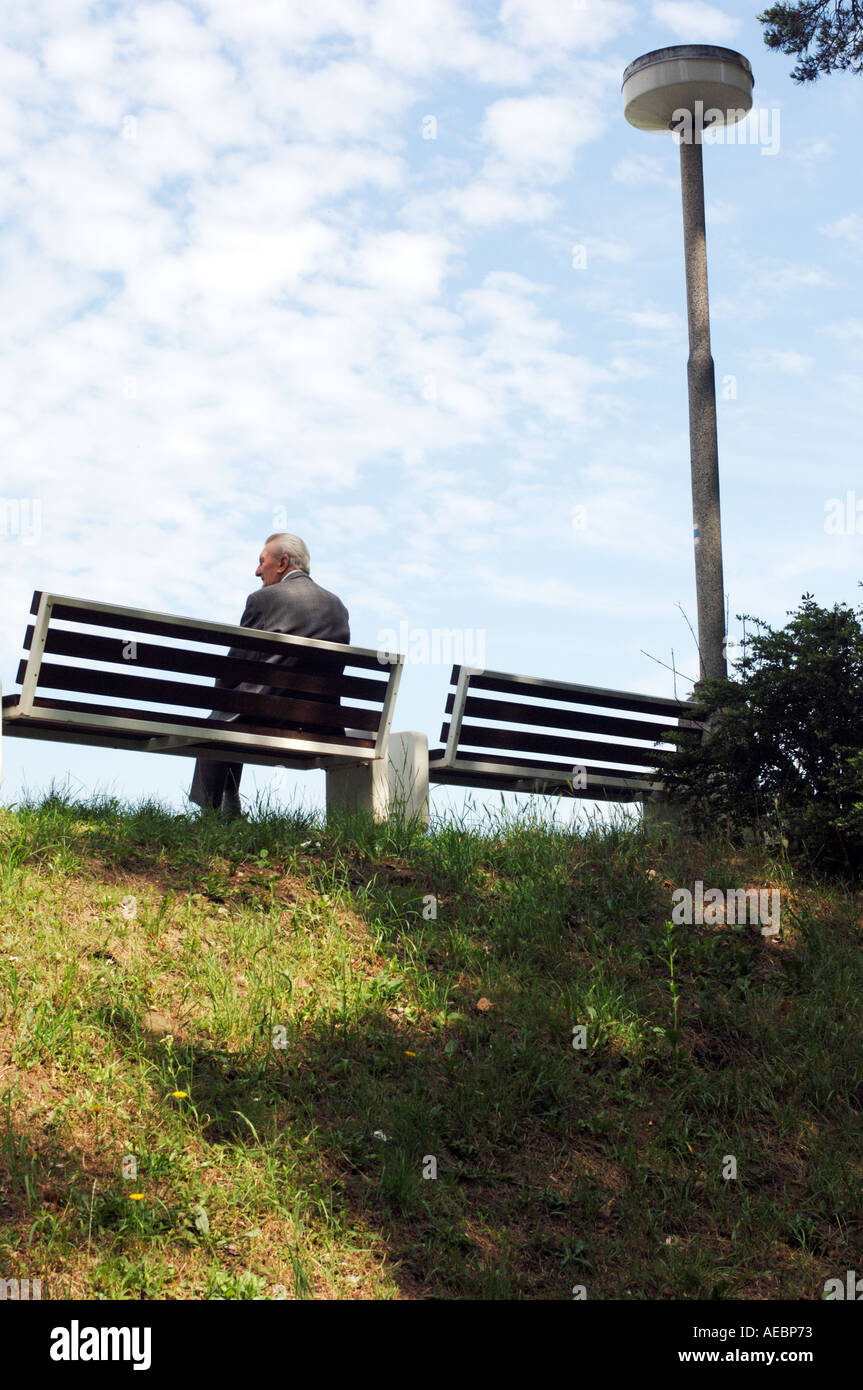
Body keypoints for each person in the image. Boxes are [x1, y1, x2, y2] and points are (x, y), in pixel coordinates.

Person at [189, 533, 350, 816]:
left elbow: (236, 666)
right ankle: (230, 806)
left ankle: (214, 813)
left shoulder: (263, 600)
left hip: (264, 715)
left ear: (282, 563)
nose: (257, 571)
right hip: (321, 723)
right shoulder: (338, 607)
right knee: (237, 704)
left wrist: (220, 696)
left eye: (262, 562)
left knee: (228, 709)